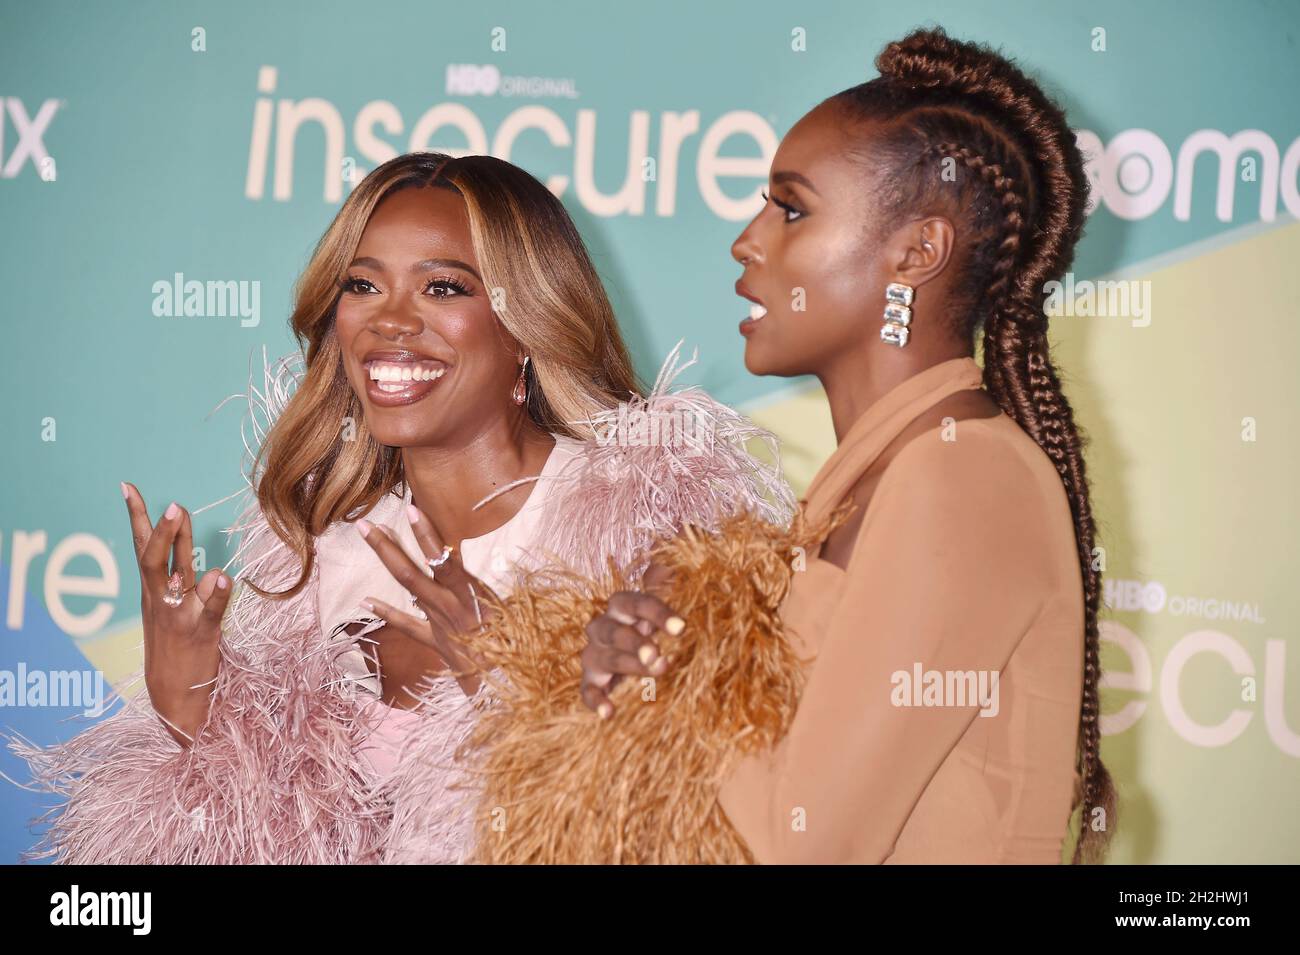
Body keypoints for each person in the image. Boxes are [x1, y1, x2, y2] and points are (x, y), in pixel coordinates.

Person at [8, 152, 793, 864]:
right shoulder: (327, 548)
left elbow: (691, 816)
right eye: (362, 284)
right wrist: (192, 707)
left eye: (443, 286)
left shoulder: (644, 535)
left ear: (527, 325)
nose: (389, 320)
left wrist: (518, 683)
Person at [578, 26, 1115, 864]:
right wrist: (643, 658)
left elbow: (799, 844)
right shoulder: (879, 476)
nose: (747, 239)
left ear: (916, 252)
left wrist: (683, 663)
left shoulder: (962, 473)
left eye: (791, 208)